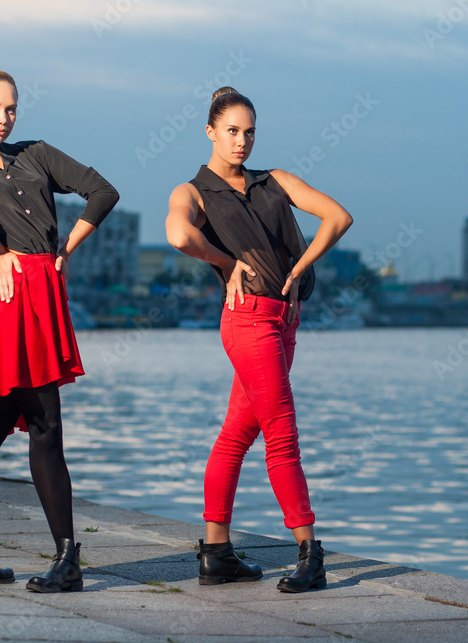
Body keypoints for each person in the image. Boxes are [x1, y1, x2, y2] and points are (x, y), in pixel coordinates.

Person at [0, 58, 119, 593]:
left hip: (44, 290)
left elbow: (102, 190)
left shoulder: (35, 154)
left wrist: (67, 249)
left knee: (35, 429)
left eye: (10, 109)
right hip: (10, 297)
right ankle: (32, 557)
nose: (3, 118)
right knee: (8, 428)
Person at [165, 86, 353, 592]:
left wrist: (299, 269)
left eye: (249, 132)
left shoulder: (275, 181)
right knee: (281, 432)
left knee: (235, 436)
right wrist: (226, 263)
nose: (241, 141)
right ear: (210, 132)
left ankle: (217, 554)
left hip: (284, 320)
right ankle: (310, 553)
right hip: (246, 320)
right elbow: (179, 236)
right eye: (231, 131)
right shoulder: (195, 192)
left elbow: (338, 217)